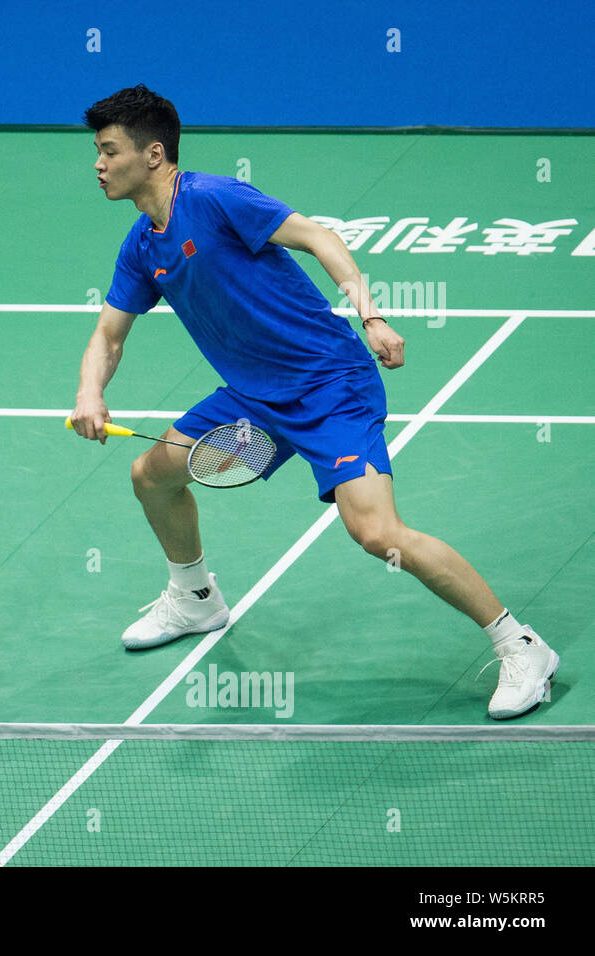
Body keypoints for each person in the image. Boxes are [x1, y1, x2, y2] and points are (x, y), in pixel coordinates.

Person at [68, 85, 557, 719]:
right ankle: (194, 597)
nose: (98, 164)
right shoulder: (142, 245)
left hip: (330, 386)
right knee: (152, 474)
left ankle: (520, 645)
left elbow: (320, 237)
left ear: (154, 153)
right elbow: (109, 334)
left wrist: (372, 315)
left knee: (377, 533)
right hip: (254, 399)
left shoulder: (216, 200)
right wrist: (90, 391)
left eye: (109, 151)